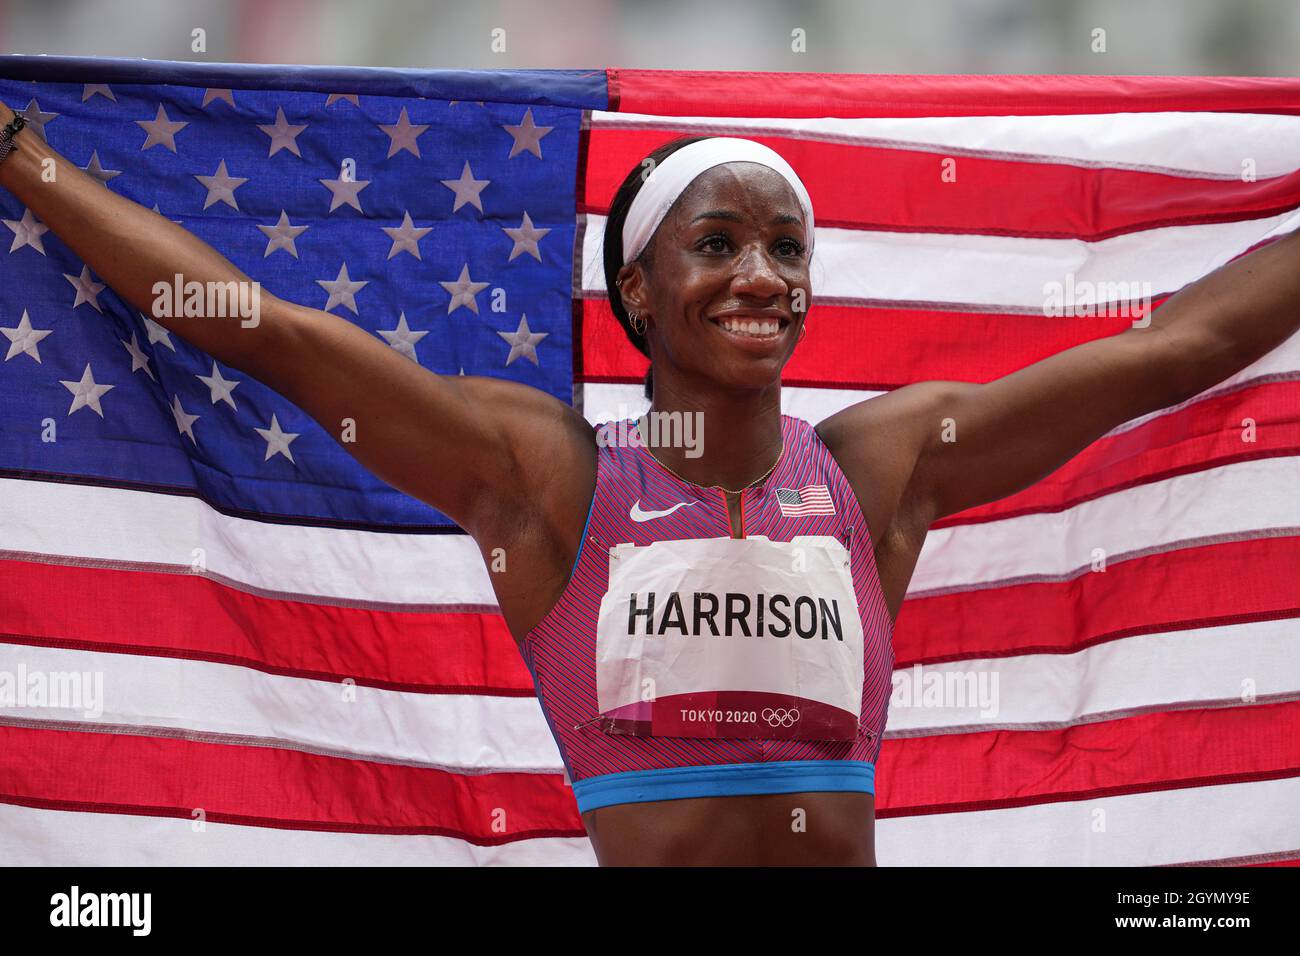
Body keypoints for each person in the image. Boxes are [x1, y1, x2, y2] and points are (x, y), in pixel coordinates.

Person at [2, 99, 1298, 867]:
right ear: (635, 289)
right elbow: (262, 331)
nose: (761, 275)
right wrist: (18, 154)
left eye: (786, 248)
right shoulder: (549, 480)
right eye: (717, 243)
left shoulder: (878, 468)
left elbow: (1168, 353)